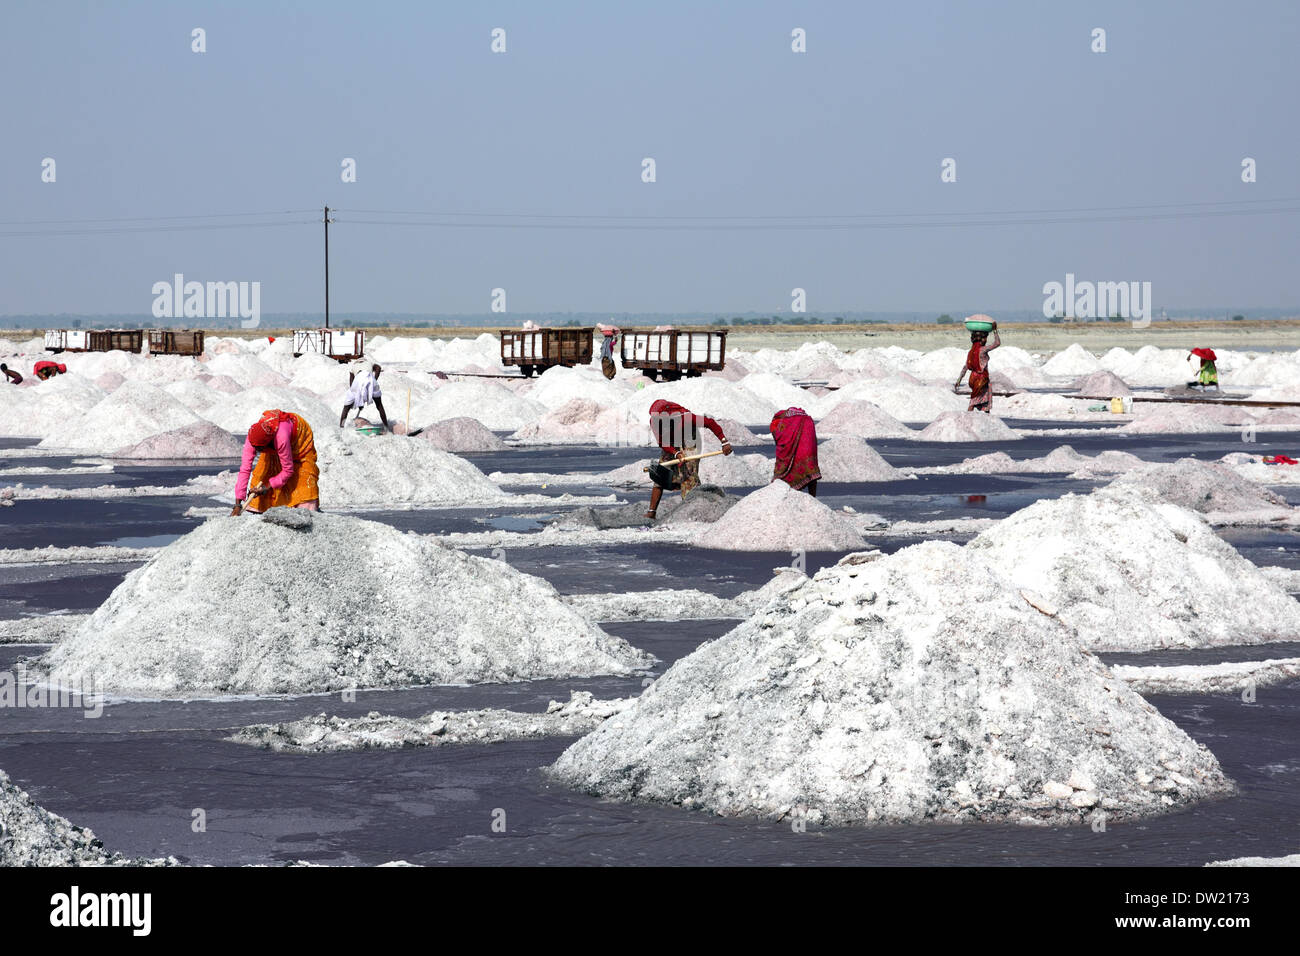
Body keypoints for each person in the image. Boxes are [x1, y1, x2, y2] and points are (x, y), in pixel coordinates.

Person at [645, 398, 732, 519]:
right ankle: (651, 512)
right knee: (661, 472)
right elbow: (662, 441)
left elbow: (710, 423)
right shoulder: (654, 421)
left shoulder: (686, 417)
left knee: (688, 474)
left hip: (689, 437)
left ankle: (691, 512)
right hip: (669, 441)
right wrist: (675, 453)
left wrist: (724, 441)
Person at [231, 409, 320, 516]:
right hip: (273, 441)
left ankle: (301, 508)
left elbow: (288, 470)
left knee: (303, 476)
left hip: (299, 441)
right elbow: (245, 468)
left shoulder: (281, 438)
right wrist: (237, 504)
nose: (259, 452)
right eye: (256, 449)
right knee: (265, 471)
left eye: (261, 449)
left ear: (268, 444)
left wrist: (266, 487)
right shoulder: (252, 438)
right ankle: (264, 509)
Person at [953, 318, 1001, 413]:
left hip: (973, 379)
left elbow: (965, 367)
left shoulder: (971, 352)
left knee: (983, 401)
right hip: (981, 379)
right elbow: (997, 343)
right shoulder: (982, 350)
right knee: (974, 401)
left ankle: (987, 420)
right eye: (984, 338)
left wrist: (959, 380)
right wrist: (995, 331)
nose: (985, 340)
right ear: (980, 339)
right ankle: (968, 419)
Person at [770, 407, 821, 496]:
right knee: (811, 473)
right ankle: (813, 498)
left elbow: (781, 439)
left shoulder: (780, 422)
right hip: (809, 452)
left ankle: (787, 497)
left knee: (786, 475)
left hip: (800, 454)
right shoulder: (807, 419)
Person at [339, 362, 391, 430]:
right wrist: (374, 380)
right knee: (379, 405)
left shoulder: (353, 366)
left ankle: (341, 427)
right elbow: (378, 368)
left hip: (358, 380)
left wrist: (359, 401)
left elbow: (352, 386)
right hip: (371, 379)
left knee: (346, 407)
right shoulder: (369, 363)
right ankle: (386, 427)